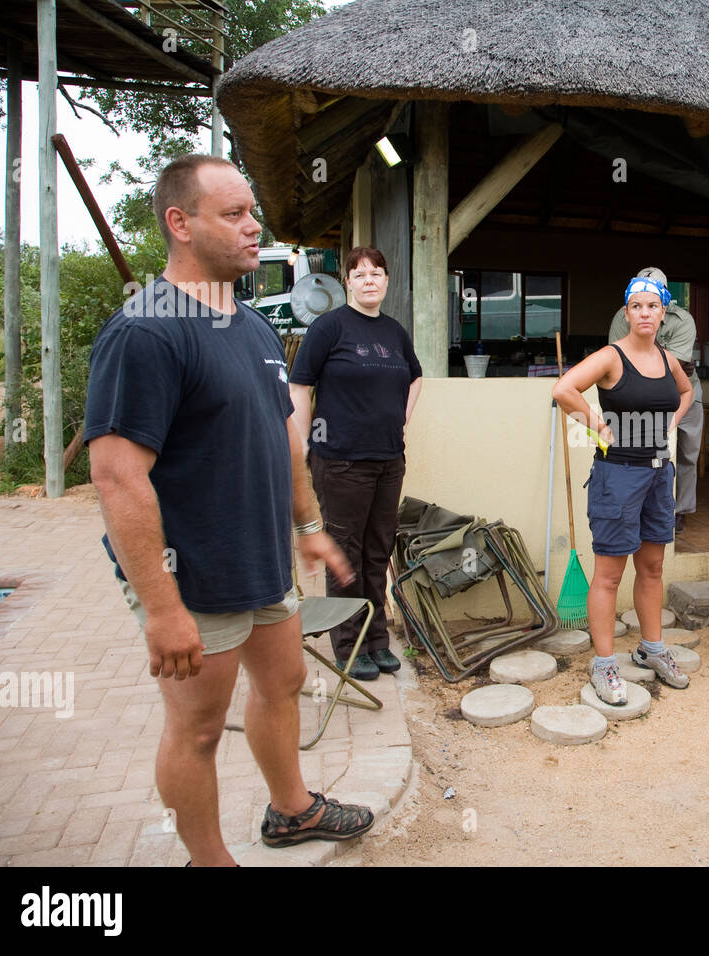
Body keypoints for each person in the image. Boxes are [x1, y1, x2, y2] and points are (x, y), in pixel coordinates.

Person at [85, 155, 373, 866]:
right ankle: (209, 860)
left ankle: (292, 810)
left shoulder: (248, 323)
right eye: (235, 214)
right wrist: (161, 606)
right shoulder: (144, 331)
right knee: (199, 729)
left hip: (260, 556)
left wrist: (308, 529)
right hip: (191, 572)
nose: (254, 227)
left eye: (253, 211)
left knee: (283, 682)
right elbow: (118, 477)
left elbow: (284, 438)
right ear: (180, 224)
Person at [553, 274, 694, 704]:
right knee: (610, 574)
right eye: (637, 306)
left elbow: (685, 392)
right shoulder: (612, 357)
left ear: (663, 312)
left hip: (658, 475)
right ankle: (604, 664)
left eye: (653, 306)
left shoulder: (669, 360)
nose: (645, 313)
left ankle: (652, 649)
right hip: (617, 478)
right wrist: (597, 425)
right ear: (627, 312)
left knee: (652, 568)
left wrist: (670, 423)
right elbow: (564, 389)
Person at [289, 247, 423, 681]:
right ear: (347, 281)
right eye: (360, 273)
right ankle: (349, 648)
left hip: (388, 460)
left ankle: (377, 641)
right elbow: (299, 385)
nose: (369, 280)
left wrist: (402, 420)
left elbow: (415, 375)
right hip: (341, 461)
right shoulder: (328, 328)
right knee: (344, 556)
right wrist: (306, 444)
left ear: (386, 281)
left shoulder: (394, 331)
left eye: (377, 273)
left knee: (377, 551)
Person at [609, 267, 701, 533]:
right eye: (638, 300)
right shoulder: (622, 315)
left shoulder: (682, 319)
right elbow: (620, 357)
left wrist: (645, 351)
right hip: (640, 396)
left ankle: (680, 509)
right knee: (642, 452)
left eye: (654, 300)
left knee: (686, 453)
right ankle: (643, 508)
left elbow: (675, 365)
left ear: (665, 301)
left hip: (684, 391)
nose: (645, 309)